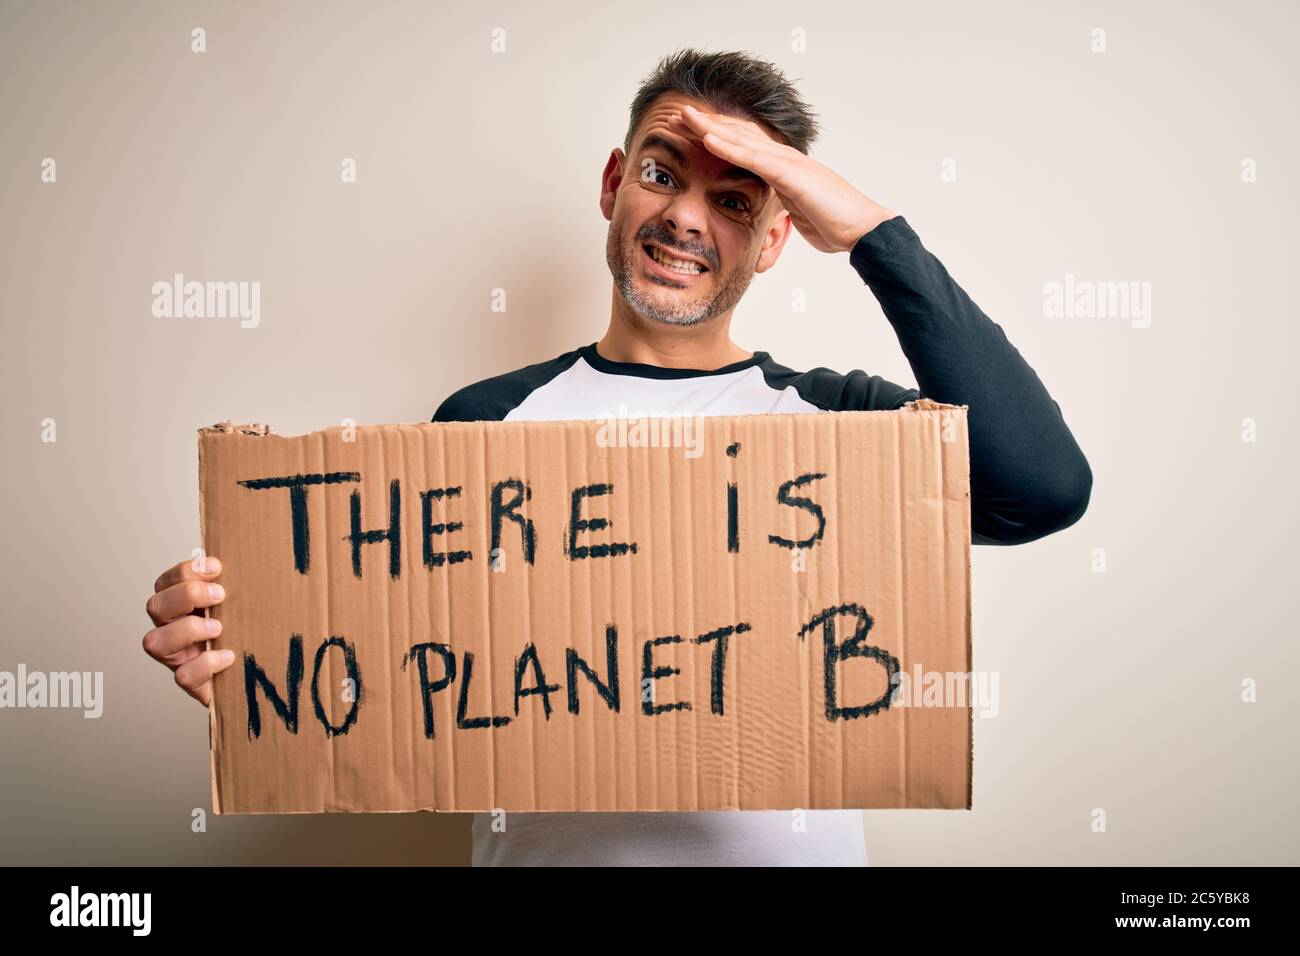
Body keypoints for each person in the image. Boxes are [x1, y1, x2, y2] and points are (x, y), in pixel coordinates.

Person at [143, 48, 1091, 866]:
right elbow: (420, 698)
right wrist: (253, 662)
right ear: (612, 183)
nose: (687, 219)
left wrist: (874, 234)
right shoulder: (483, 424)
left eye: (735, 200)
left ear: (774, 242)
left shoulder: (832, 421)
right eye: (663, 174)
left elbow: (1042, 490)